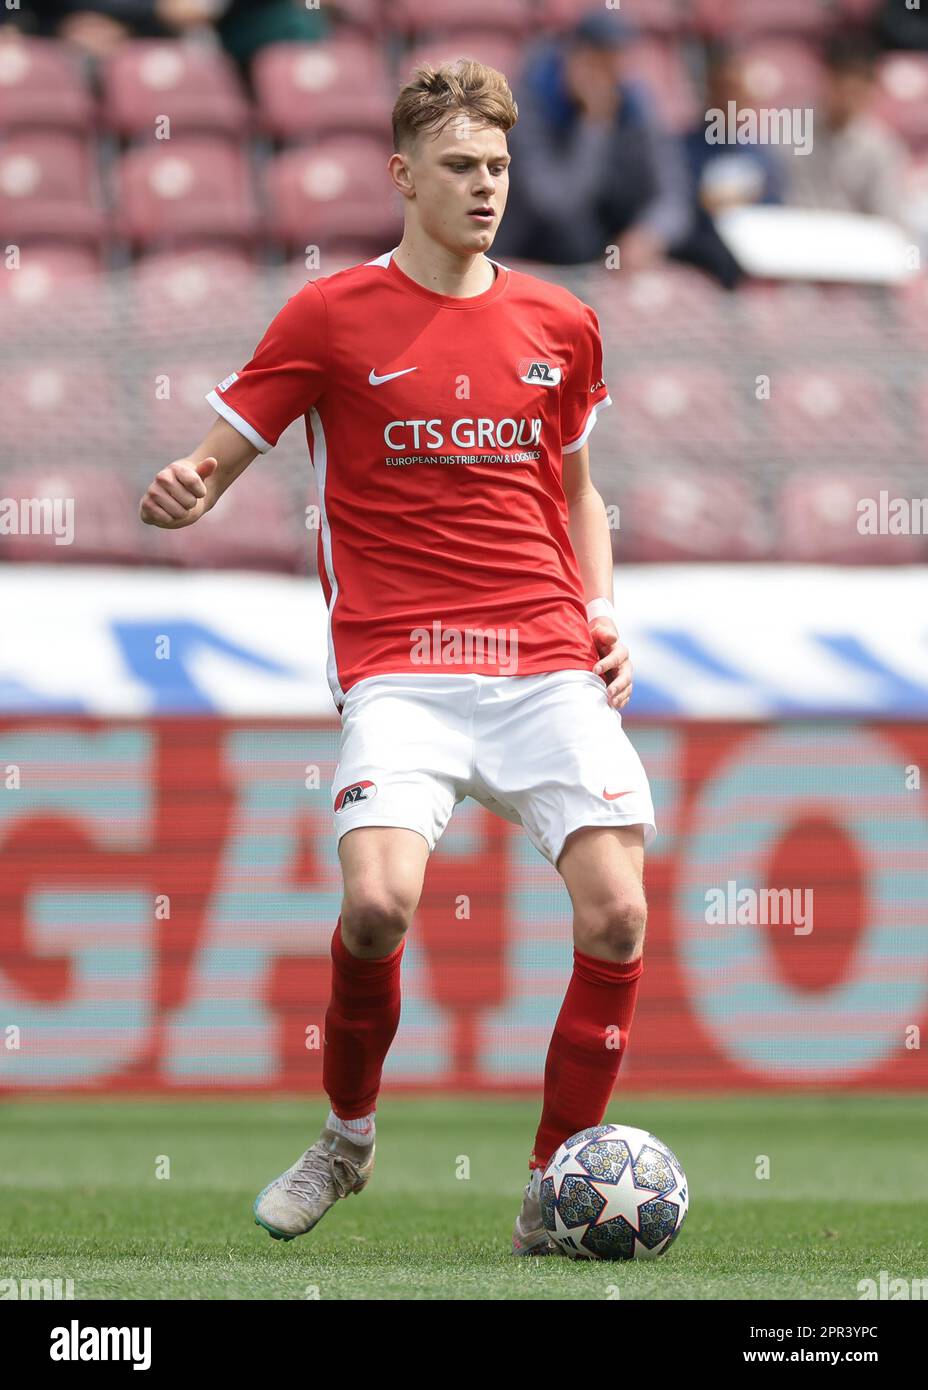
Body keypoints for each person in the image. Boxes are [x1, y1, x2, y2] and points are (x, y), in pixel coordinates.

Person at [138, 58, 656, 1256]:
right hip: (403, 668)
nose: (486, 188)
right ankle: (346, 1136)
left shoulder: (559, 321)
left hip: (541, 659)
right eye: (462, 167)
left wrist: (605, 609)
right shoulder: (328, 317)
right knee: (374, 908)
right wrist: (188, 486)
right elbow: (221, 453)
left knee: (619, 914)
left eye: (499, 168)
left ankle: (545, 1190)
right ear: (401, 174)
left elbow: (577, 488)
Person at [492, 11, 691, 270]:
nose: (608, 79)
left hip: (607, 239)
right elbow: (556, 206)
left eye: (616, 66)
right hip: (535, 244)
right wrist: (593, 126)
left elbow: (673, 192)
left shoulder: (634, 103)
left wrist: (650, 234)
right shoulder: (526, 105)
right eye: (598, 64)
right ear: (572, 58)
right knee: (573, 235)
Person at [788, 32, 907, 223]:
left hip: (855, 247)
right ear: (826, 79)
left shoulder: (881, 147)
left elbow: (888, 220)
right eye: (842, 85)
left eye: (858, 88)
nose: (848, 96)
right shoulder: (786, 132)